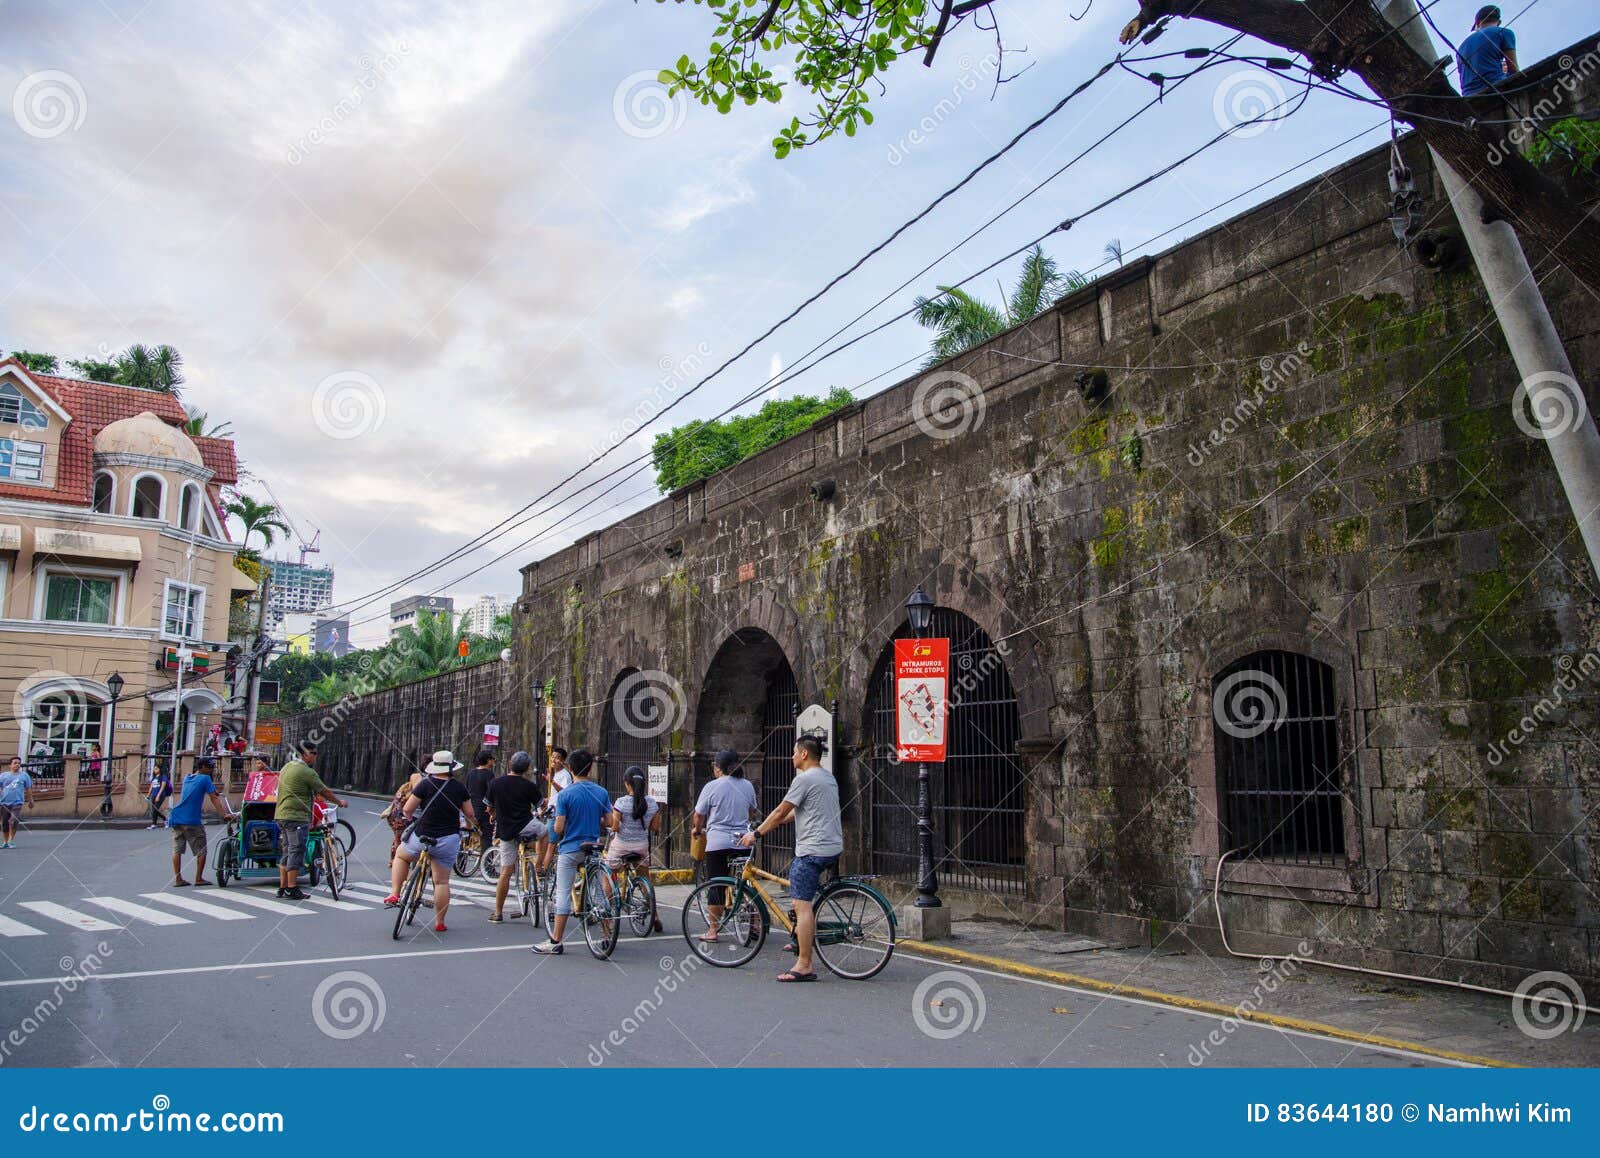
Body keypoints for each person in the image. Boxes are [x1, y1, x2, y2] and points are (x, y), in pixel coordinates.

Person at [740, 735, 842, 982]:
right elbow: (797, 813)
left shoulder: (804, 779)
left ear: (804, 754)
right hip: (832, 846)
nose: (792, 757)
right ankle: (799, 939)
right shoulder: (827, 777)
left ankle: (804, 964)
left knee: (801, 904)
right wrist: (770, 825)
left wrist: (755, 833)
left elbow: (779, 811)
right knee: (800, 898)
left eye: (795, 752)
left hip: (811, 850)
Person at [383, 750, 475, 932]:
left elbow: (408, 809)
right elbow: (470, 814)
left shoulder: (425, 785)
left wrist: (410, 818)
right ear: (451, 768)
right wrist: (471, 827)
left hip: (423, 833)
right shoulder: (459, 788)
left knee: (401, 856)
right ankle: (439, 922)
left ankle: (394, 893)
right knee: (441, 882)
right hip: (448, 838)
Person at [531, 748, 610, 955]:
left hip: (571, 848)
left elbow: (558, 828)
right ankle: (607, 934)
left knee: (563, 892)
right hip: (593, 846)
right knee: (599, 891)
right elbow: (609, 822)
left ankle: (556, 939)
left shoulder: (566, 794)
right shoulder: (601, 792)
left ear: (571, 768)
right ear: (590, 768)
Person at [691, 749, 759, 944]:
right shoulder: (747, 786)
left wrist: (697, 830)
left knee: (717, 884)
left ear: (718, 767)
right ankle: (755, 923)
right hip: (743, 841)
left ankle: (713, 930)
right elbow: (751, 812)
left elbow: (698, 815)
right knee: (747, 882)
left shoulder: (711, 786)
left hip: (718, 842)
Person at [273, 740, 347, 900]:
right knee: (296, 850)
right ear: (305, 754)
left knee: (286, 850)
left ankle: (283, 886)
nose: (315, 757)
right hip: (296, 817)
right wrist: (339, 802)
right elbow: (324, 791)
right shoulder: (306, 771)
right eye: (313, 753)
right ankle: (292, 888)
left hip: (281, 815)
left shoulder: (287, 767)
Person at [485, 750, 547, 923]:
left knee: (505, 871)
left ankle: (497, 913)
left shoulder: (495, 784)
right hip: (526, 825)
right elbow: (540, 806)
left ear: (510, 764)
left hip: (506, 831)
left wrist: (494, 813)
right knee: (545, 833)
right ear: (526, 768)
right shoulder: (528, 786)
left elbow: (489, 807)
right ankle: (540, 865)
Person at [604, 766, 664, 932]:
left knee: (607, 873)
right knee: (646, 879)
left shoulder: (621, 802)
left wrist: (608, 825)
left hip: (621, 846)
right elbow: (655, 827)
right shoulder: (651, 803)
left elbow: (615, 827)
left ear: (627, 783)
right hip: (641, 847)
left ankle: (607, 917)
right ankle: (656, 915)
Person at [166, 756, 234, 886]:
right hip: (191, 819)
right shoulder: (205, 779)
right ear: (202, 767)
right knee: (201, 850)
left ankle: (178, 879)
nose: (211, 769)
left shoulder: (188, 777)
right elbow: (214, 798)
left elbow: (205, 792)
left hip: (176, 817)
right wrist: (224, 814)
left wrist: (215, 793)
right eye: (209, 767)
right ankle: (198, 878)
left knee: (177, 850)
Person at [1458, 6, 1517, 96]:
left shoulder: (1461, 48)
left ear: (1477, 23)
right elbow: (1514, 70)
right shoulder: (1505, 32)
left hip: (1469, 97)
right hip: (1496, 88)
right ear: (1499, 22)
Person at [535, 747, 572, 875]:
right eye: (553, 756)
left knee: (551, 842)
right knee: (548, 840)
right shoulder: (556, 774)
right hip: (551, 810)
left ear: (562, 761)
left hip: (557, 812)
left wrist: (551, 781)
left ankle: (544, 869)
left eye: (557, 757)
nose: (553, 759)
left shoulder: (565, 775)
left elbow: (565, 792)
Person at [384, 765, 425, 866]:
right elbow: (416, 792)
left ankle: (396, 860)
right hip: (401, 813)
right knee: (400, 837)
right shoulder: (418, 777)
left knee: (402, 837)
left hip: (404, 812)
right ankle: (397, 861)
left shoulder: (427, 778)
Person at [465, 749, 497, 859]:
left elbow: (467, 790)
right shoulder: (489, 775)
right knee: (486, 837)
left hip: (470, 808)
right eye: (492, 759)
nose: (494, 761)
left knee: (468, 835)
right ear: (488, 760)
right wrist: (493, 809)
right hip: (484, 810)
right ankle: (488, 867)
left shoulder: (471, 773)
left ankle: (461, 864)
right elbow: (491, 792)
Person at [0, 757, 35, 848]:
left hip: (17, 802)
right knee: (4, 823)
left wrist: (31, 800)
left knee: (13, 820)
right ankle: (5, 841)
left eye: (19, 763)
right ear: (10, 765)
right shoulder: (3, 776)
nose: (17, 765)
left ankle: (11, 840)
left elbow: (28, 789)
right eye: (15, 763)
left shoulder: (24, 776)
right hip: (4, 802)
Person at [89, 743, 113, 817]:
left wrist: (94, 759)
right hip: (93, 766)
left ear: (96, 747)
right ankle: (92, 782)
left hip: (96, 766)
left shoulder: (97, 753)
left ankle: (96, 782)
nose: (92, 747)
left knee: (95, 775)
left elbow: (99, 758)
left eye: (94, 746)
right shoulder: (93, 752)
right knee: (91, 775)